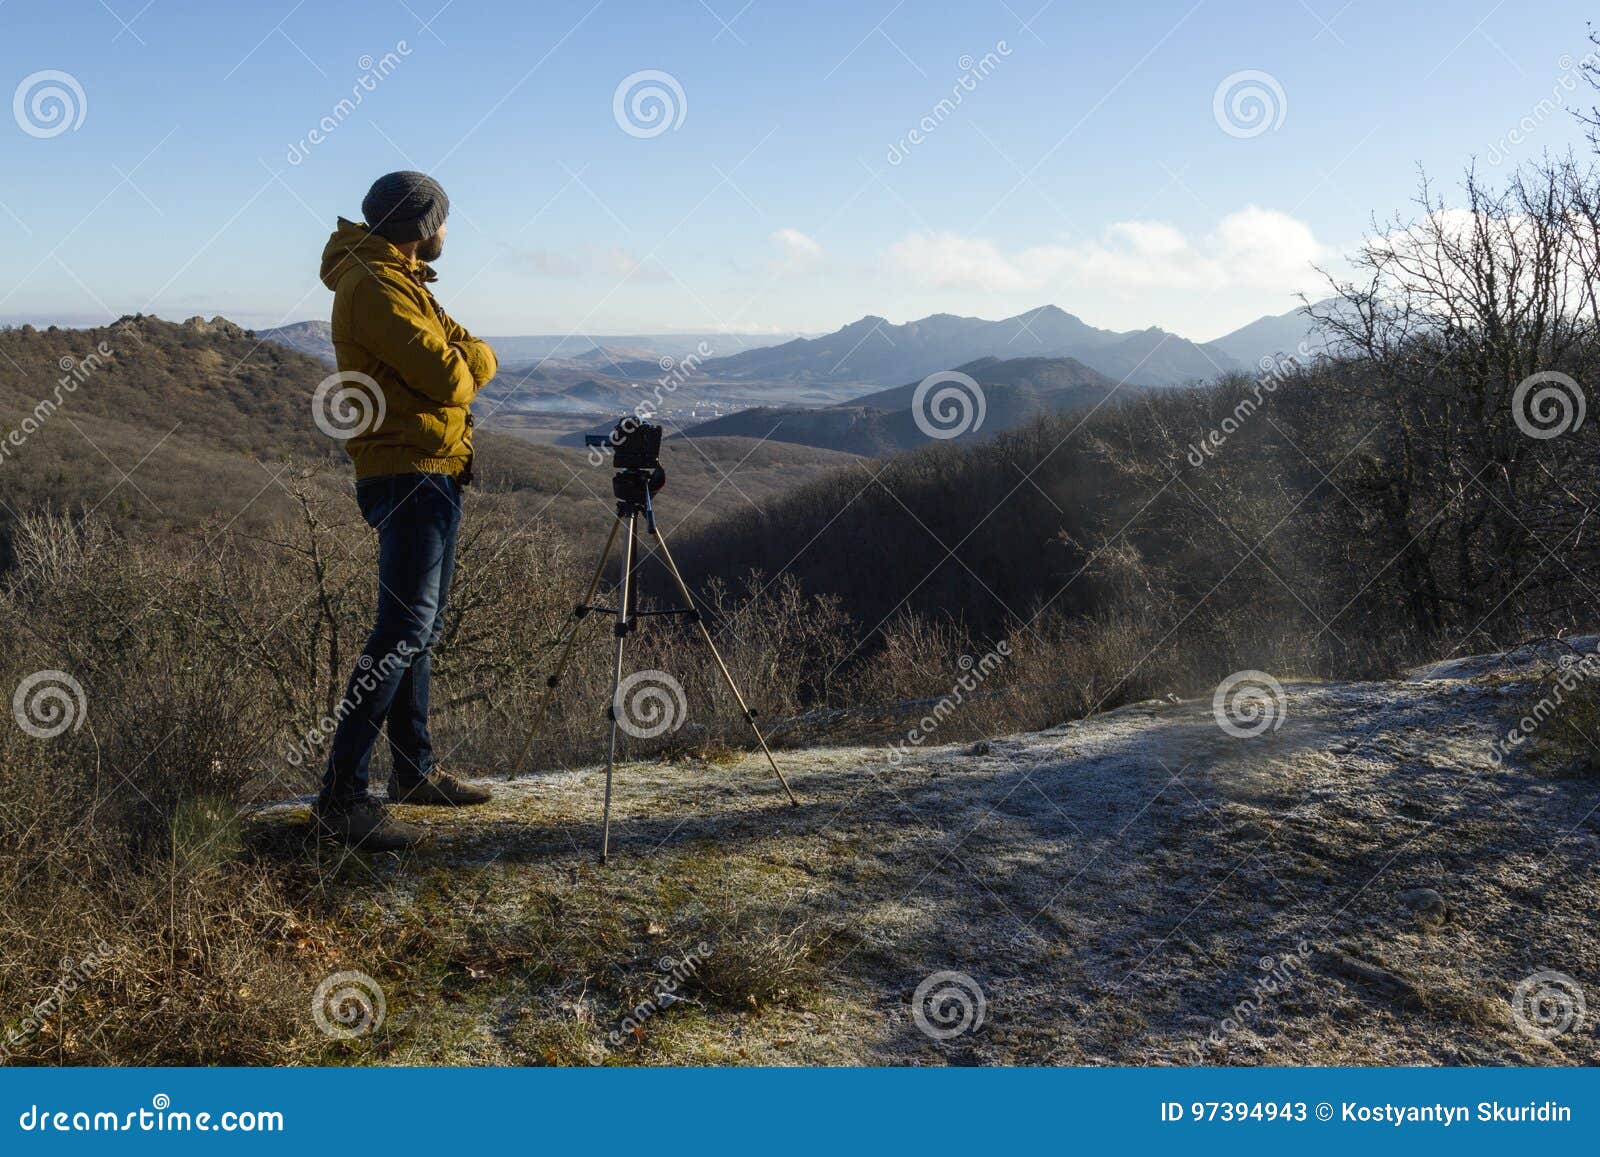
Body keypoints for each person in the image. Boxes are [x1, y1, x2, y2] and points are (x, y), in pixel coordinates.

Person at [311, 171, 497, 851]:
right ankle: (340, 798)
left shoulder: (401, 280)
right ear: (421, 227)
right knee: (400, 631)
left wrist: (468, 356)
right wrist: (469, 362)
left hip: (433, 469)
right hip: (408, 473)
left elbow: (465, 348)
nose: (448, 231)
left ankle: (414, 771)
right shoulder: (376, 286)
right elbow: (454, 373)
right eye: (443, 220)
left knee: (420, 629)